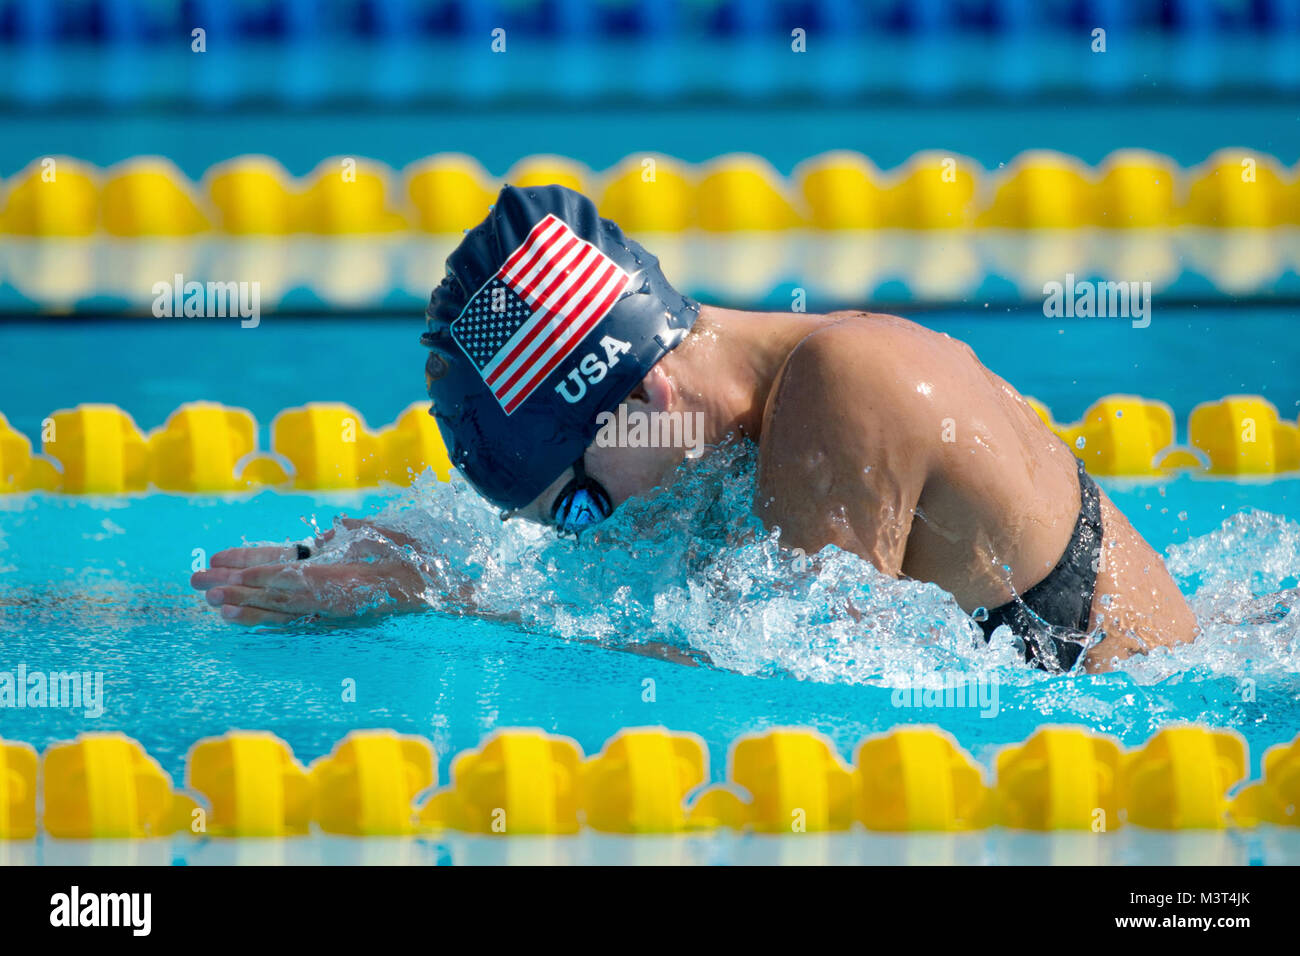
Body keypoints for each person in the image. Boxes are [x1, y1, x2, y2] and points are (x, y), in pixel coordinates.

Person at [191, 184, 1199, 673]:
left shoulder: (839, 388)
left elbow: (797, 673)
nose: (596, 534)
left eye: (578, 507)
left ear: (646, 401)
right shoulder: (745, 422)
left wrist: (437, 597)